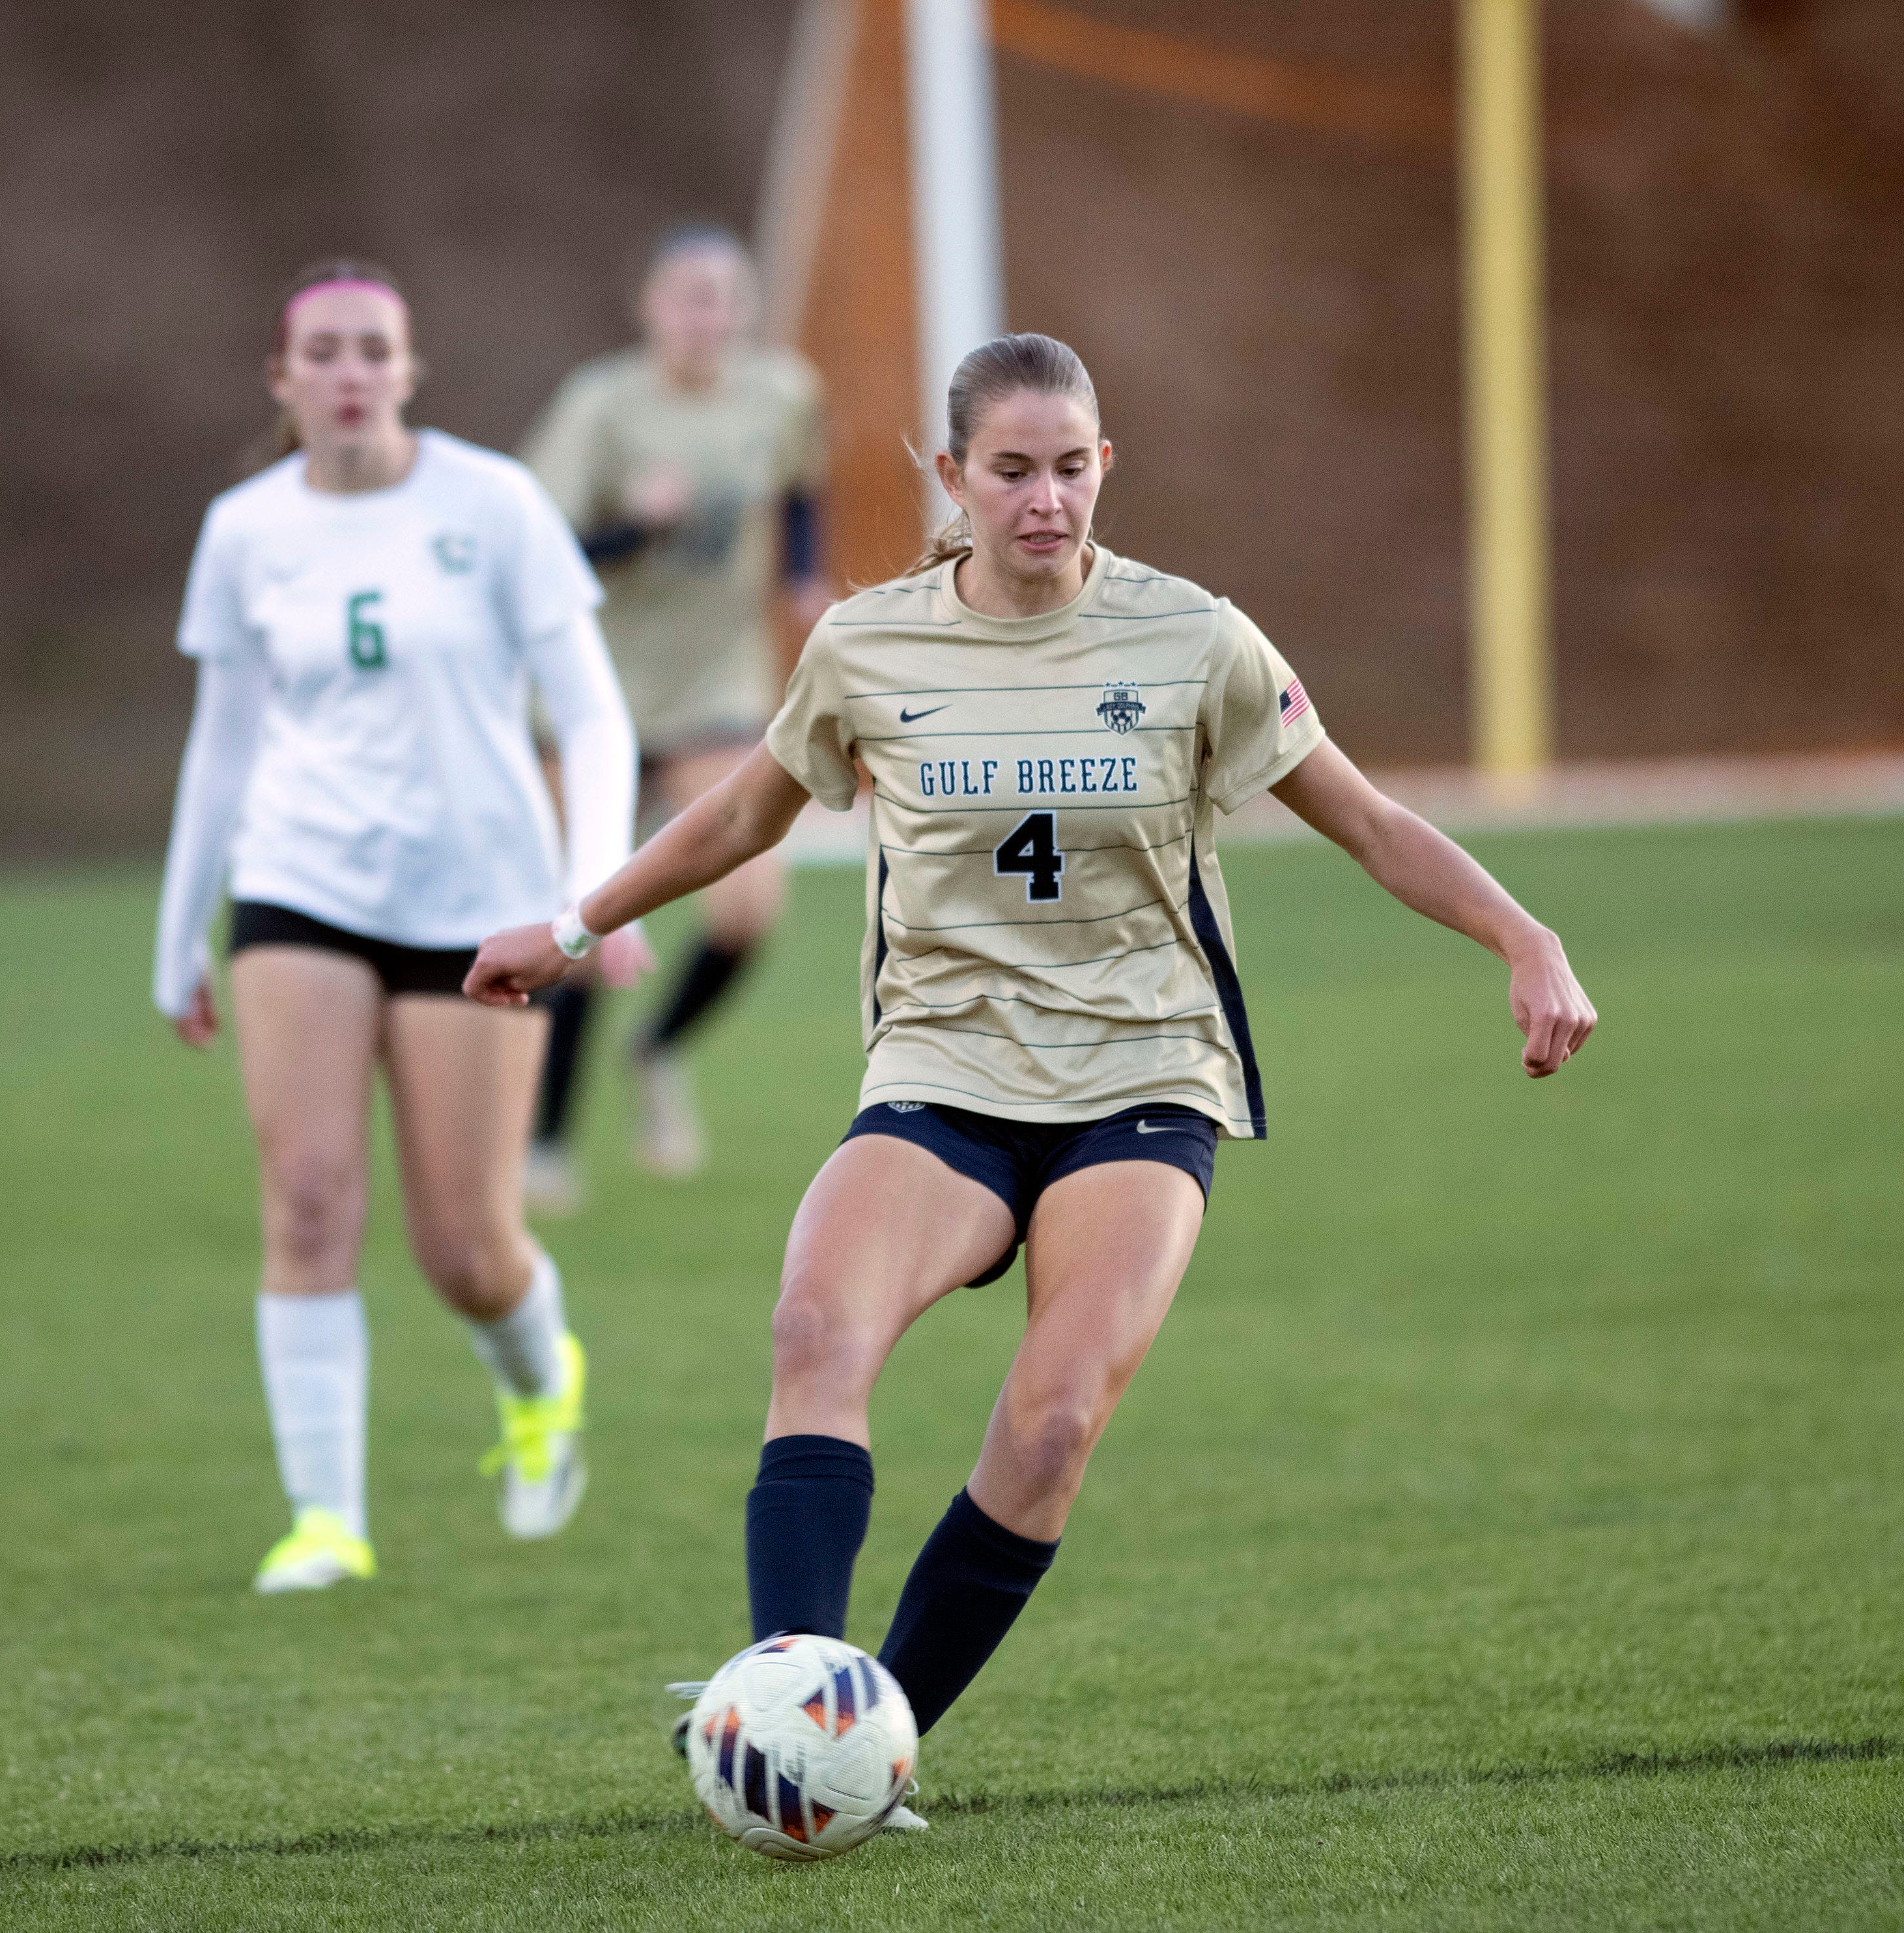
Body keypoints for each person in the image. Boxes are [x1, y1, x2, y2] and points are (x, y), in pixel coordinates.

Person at [464, 334, 1596, 1799]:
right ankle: (789, 1707)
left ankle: (863, 1748)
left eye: (1071, 466)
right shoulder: (870, 645)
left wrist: (1524, 934)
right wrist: (572, 924)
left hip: (1142, 1076)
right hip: (944, 1069)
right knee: (816, 1329)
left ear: (1105, 465)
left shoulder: (1195, 638)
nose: (1045, 499)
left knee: (1054, 1420)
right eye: (1011, 470)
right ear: (954, 476)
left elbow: (1372, 822)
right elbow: (741, 816)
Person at [152, 259, 649, 1593]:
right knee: (309, 1196)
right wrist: (174, 931)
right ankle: (326, 1520)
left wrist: (587, 896)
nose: (351, 371)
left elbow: (592, 717)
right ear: (283, 377)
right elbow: (223, 742)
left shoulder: (494, 505)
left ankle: (542, 1380)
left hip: (477, 901)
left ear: (410, 369)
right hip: (298, 888)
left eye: (375, 348)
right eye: (323, 351)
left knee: (466, 1249)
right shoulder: (246, 528)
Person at [519, 224, 830, 1198]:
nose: (709, 317)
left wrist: (804, 579)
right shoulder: (600, 406)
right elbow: (535, 548)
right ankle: (547, 1144)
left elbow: (801, 484)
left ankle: (655, 1050)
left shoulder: (781, 393)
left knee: (747, 908)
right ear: (650, 306)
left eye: (725, 298)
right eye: (689, 297)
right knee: (582, 913)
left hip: (717, 686)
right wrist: (628, 528)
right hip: (593, 688)